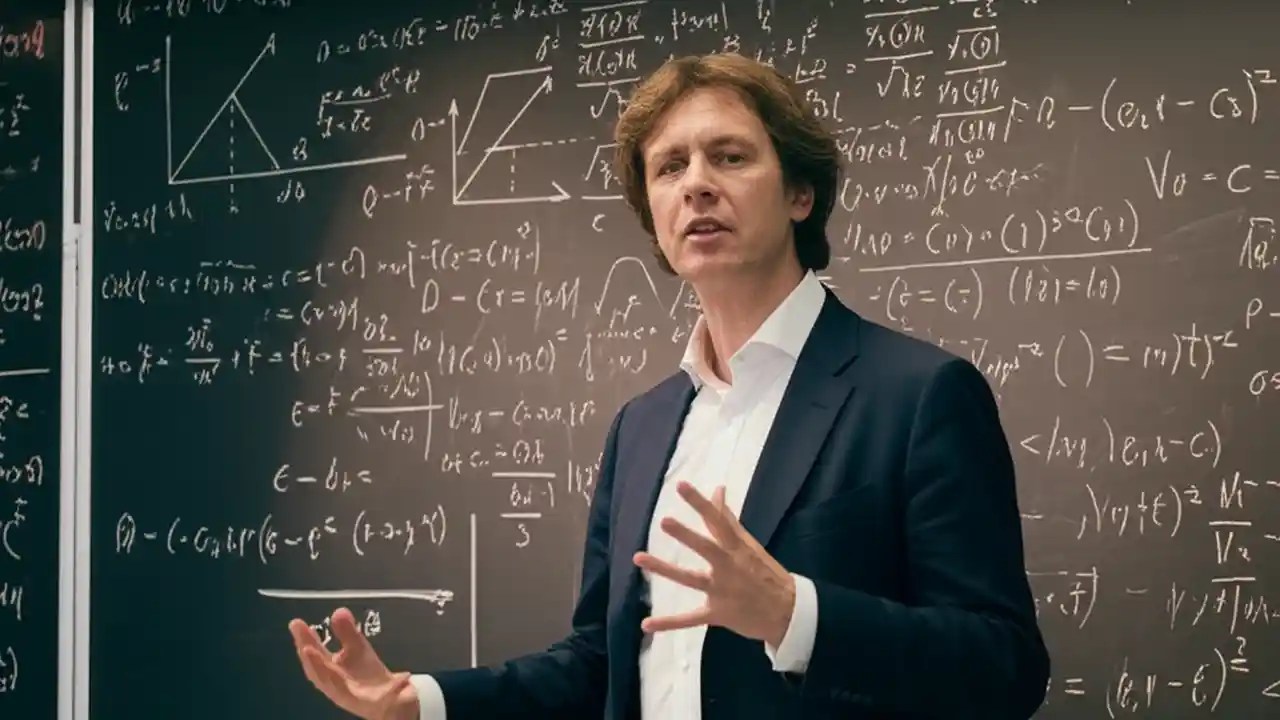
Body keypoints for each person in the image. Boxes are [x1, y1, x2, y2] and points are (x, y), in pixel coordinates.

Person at [288, 51, 1051, 719]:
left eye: (730, 157)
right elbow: (601, 664)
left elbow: (1005, 667)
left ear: (800, 193)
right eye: (670, 167)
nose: (697, 186)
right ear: (652, 215)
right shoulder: (643, 426)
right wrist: (424, 702)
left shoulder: (919, 396)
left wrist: (795, 615)